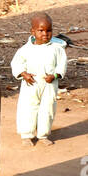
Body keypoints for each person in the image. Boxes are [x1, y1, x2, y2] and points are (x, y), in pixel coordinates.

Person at [10, 13, 66, 145]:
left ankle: (43, 135)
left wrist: (55, 76)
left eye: (49, 30)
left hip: (49, 85)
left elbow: (61, 65)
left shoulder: (57, 49)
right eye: (41, 31)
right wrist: (24, 74)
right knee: (28, 107)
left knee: (47, 108)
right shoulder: (25, 50)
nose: (45, 34)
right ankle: (26, 134)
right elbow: (16, 64)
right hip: (31, 84)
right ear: (33, 31)